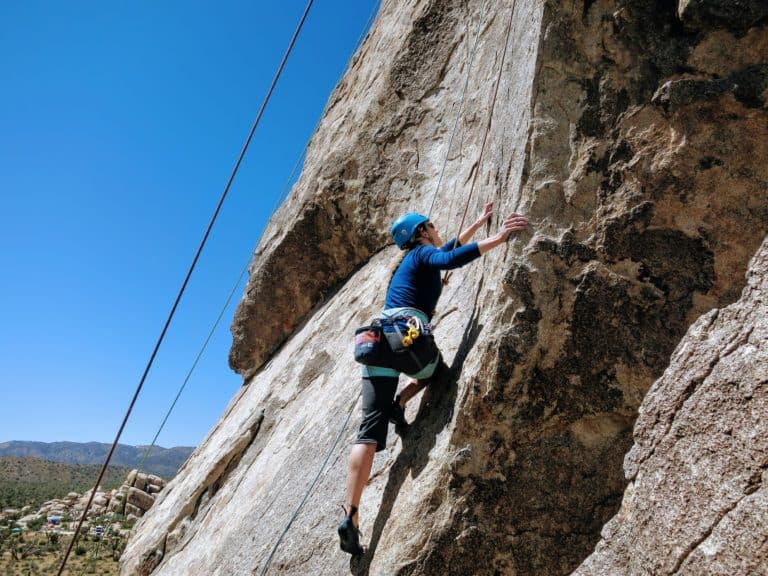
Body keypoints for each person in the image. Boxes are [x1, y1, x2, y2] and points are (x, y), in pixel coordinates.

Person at [338, 203, 529, 555]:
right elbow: (448, 259)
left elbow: (450, 246)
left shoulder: (412, 261)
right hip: (408, 340)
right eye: (433, 227)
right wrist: (500, 237)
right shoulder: (424, 254)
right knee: (437, 372)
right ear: (422, 233)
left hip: (378, 342)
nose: (438, 231)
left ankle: (350, 516)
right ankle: (402, 401)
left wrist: (477, 222)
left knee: (368, 430)